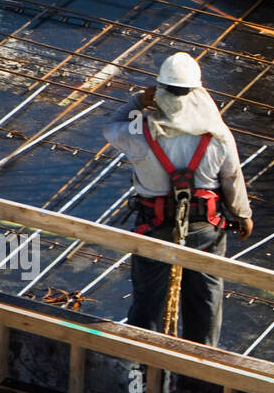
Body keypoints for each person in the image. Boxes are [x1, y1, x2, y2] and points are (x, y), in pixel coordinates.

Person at [104, 52, 252, 347]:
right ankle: (201, 363)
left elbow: (110, 127)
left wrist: (137, 101)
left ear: (159, 90)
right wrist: (242, 214)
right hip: (204, 228)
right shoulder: (218, 134)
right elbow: (231, 178)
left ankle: (144, 358)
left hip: (154, 225)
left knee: (148, 299)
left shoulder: (139, 131)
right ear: (197, 92)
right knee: (205, 300)